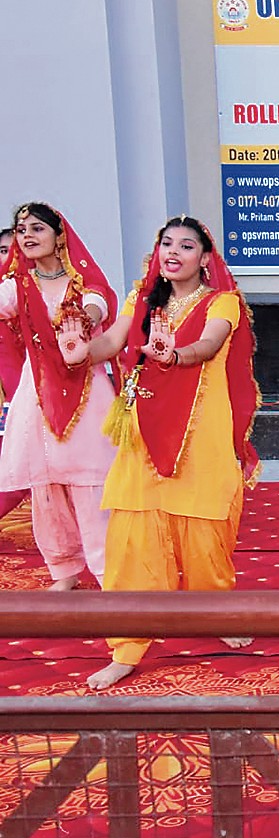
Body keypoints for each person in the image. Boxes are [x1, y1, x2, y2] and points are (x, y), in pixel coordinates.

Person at [59, 215, 260, 689]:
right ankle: (126, 647)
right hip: (143, 436)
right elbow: (111, 340)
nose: (174, 251)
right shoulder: (142, 299)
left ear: (205, 259)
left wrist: (176, 355)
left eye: (186, 245)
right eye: (166, 243)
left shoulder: (221, 301)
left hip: (201, 437)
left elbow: (209, 345)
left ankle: (219, 615)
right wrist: (80, 352)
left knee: (206, 542)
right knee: (132, 543)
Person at [0, 203, 118, 591]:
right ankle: (64, 570)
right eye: (21, 230)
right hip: (37, 394)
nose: (27, 235)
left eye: (37, 228)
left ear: (59, 235)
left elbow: (99, 304)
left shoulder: (82, 285)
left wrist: (85, 315)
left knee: (90, 483)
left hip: (86, 392)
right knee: (45, 484)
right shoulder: (17, 285)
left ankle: (106, 571)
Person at [0, 228, 30, 521]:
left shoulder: (34, 291)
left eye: (14, 250)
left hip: (38, 391)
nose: (9, 258)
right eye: (2, 251)